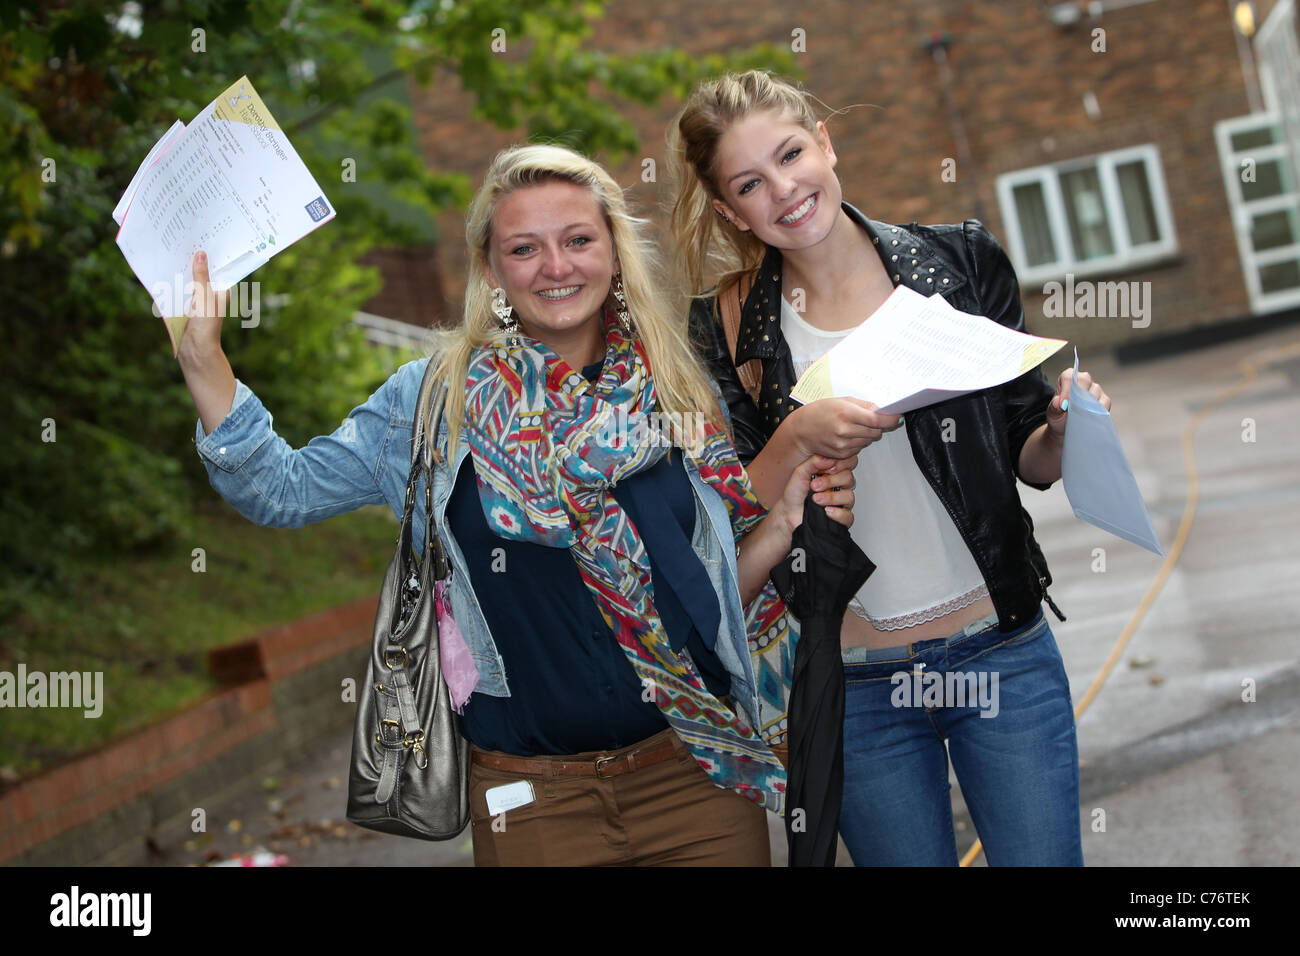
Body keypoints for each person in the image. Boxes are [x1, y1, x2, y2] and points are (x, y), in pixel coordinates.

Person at [178, 142, 857, 866]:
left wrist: (784, 521)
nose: (556, 267)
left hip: (697, 776)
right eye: (524, 248)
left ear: (615, 253)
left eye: (578, 240)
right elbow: (280, 491)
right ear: (492, 269)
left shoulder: (679, 388)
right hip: (533, 805)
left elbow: (709, 595)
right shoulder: (435, 400)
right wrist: (204, 363)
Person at [667, 70, 1112, 866]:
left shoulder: (959, 261)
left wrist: (1063, 427)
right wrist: (799, 434)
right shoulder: (725, 328)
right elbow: (735, 514)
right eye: (750, 183)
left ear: (826, 143)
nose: (785, 189)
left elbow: (1032, 461)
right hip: (857, 682)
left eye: (792, 153)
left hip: (1000, 653)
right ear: (733, 211)